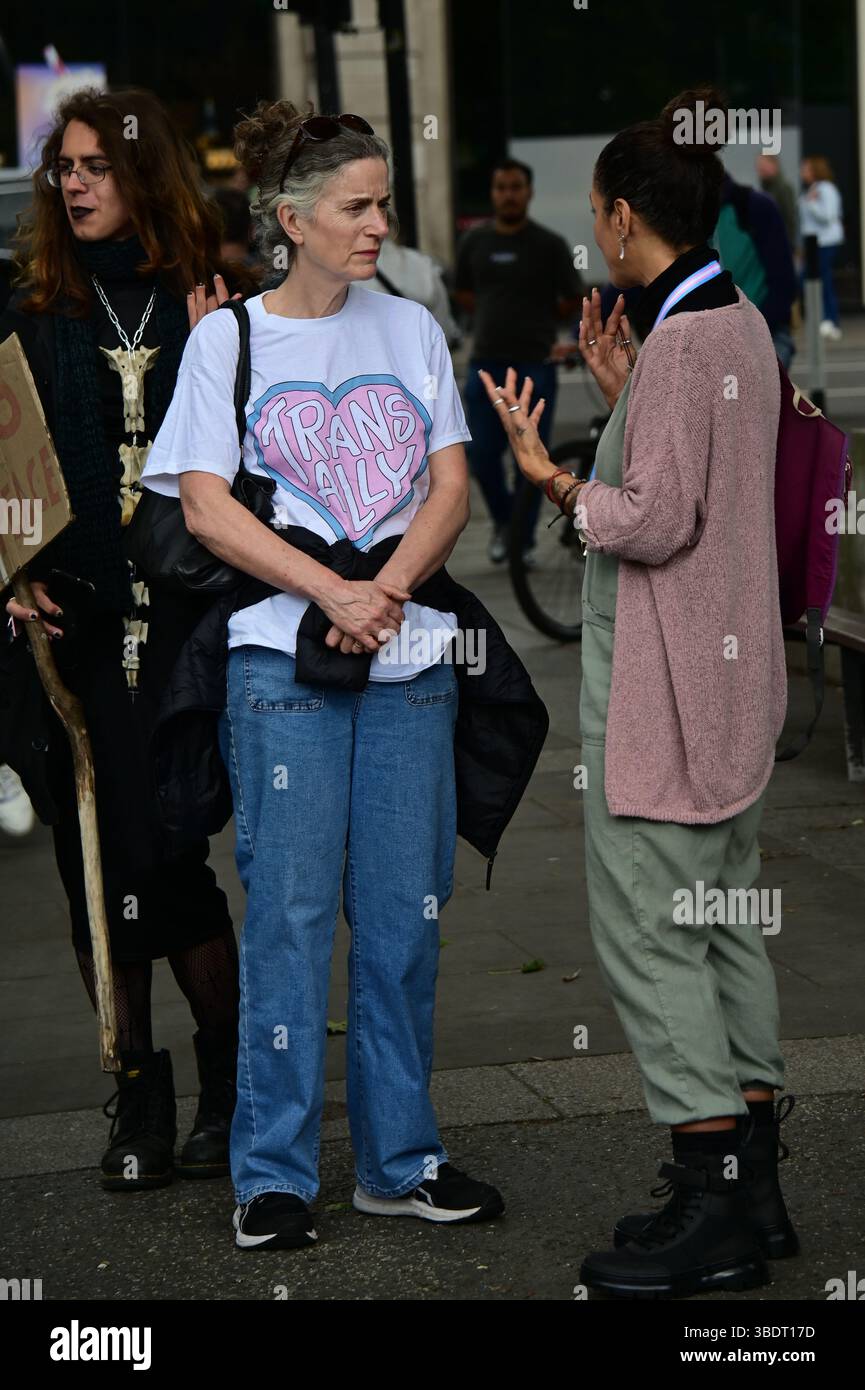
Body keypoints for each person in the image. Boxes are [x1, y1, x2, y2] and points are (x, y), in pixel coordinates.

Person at [141, 100, 548, 1252]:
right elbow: (205, 506)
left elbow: (450, 484)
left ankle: (399, 1158)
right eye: (356, 206)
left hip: (410, 658)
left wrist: (388, 593)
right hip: (279, 667)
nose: (378, 223)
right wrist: (332, 593)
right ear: (292, 218)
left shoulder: (411, 326)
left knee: (402, 921)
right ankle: (269, 1172)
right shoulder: (230, 342)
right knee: (287, 919)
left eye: (381, 203)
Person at [481, 86, 796, 1300]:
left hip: (666, 695)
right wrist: (627, 406)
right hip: (735, 689)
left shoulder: (680, 340)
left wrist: (554, 478)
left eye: (597, 212)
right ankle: (751, 1185)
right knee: (722, 927)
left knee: (653, 935)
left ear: (618, 218)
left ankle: (708, 1197)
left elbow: (656, 520)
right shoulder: (734, 325)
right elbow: (710, 491)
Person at [0, 86, 257, 1192]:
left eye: (98, 165)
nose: (77, 183)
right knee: (93, 863)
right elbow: (3, 465)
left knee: (168, 852)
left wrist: (220, 363)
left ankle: (229, 1085)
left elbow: (270, 469)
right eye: (66, 166)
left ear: (145, 175)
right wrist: (9, 570)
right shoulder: (28, 310)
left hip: (191, 625)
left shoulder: (214, 303)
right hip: (76, 630)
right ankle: (138, 1091)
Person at [455, 159, 583, 562]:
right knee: (480, 456)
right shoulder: (474, 242)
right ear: (493, 193)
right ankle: (507, 525)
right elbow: (464, 293)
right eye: (500, 188)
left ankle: (521, 543)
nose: (508, 195)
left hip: (535, 367)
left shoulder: (550, 244)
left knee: (532, 460)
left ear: (529, 192)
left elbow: (569, 300)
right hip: (487, 366)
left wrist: (546, 331)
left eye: (515, 187)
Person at [714, 171, 797, 369]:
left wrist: (754, 329)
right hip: (714, 340)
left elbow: (784, 284)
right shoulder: (682, 217)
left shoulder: (753, 207)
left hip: (765, 334)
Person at [799, 156, 844, 339]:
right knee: (810, 280)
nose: (803, 173)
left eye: (806, 169)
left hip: (826, 242)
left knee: (824, 280)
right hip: (813, 243)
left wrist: (811, 203)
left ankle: (831, 320)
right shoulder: (812, 189)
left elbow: (828, 216)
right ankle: (822, 318)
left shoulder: (826, 189)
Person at [756, 153, 797, 248]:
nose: (760, 169)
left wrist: (789, 245)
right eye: (759, 165)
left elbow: (790, 218)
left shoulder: (783, 188)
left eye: (763, 165)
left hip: (780, 244)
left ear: (774, 165)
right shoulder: (765, 188)